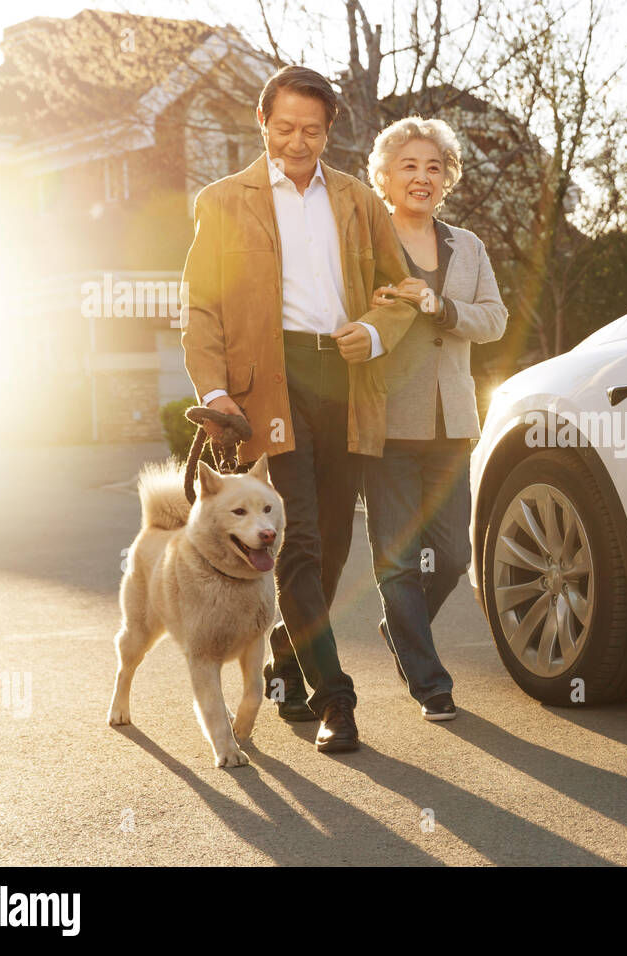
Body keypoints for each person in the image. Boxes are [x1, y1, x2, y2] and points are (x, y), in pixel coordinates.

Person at [180, 66, 417, 753]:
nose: (297, 141)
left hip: (344, 378)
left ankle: (285, 657)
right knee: (300, 540)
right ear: (263, 124)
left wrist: (372, 329)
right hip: (268, 387)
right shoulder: (224, 201)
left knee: (335, 544)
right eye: (284, 127)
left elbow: (400, 289)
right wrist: (214, 390)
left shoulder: (356, 200)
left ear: (328, 131)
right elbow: (200, 306)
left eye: (311, 130)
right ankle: (335, 699)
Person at [364, 116, 508, 720]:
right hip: (388, 422)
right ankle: (430, 681)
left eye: (434, 167)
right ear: (386, 177)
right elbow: (345, 317)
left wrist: (441, 306)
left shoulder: (467, 247)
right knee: (397, 558)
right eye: (409, 166)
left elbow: (494, 321)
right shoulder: (366, 244)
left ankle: (402, 628)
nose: (422, 178)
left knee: (450, 555)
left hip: (453, 423)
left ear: (446, 179)